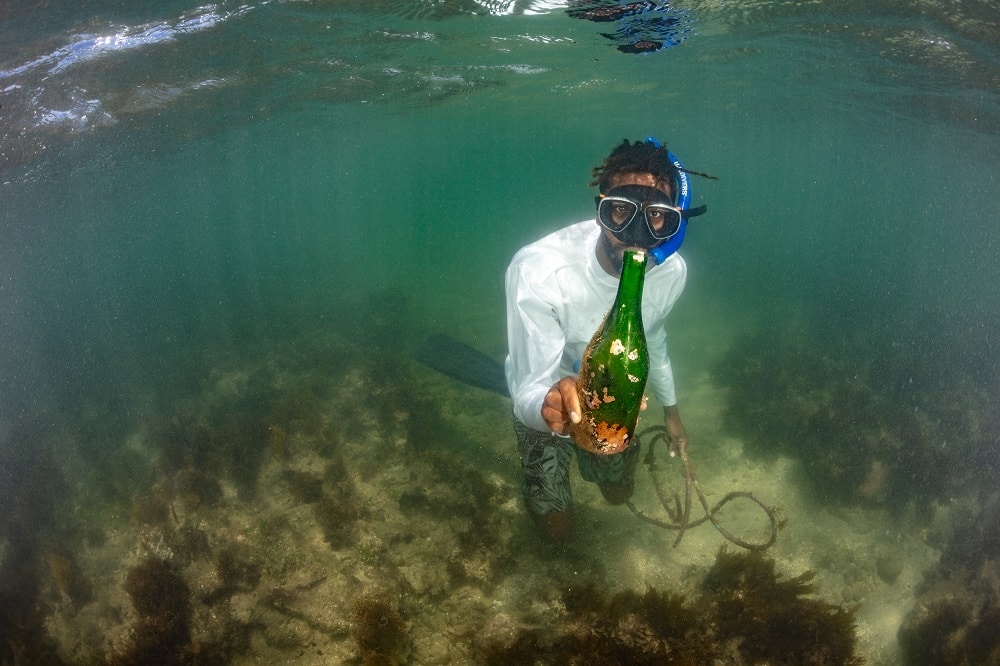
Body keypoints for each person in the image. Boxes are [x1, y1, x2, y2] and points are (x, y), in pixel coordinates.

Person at [504, 138, 705, 542]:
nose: (635, 235)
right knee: (556, 531)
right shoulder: (540, 269)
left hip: (613, 395)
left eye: (656, 217)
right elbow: (529, 387)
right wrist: (547, 406)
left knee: (618, 492)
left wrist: (671, 412)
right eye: (621, 211)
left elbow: (654, 338)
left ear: (675, 221)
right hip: (551, 397)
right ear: (601, 210)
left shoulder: (672, 273)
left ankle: (599, 468)